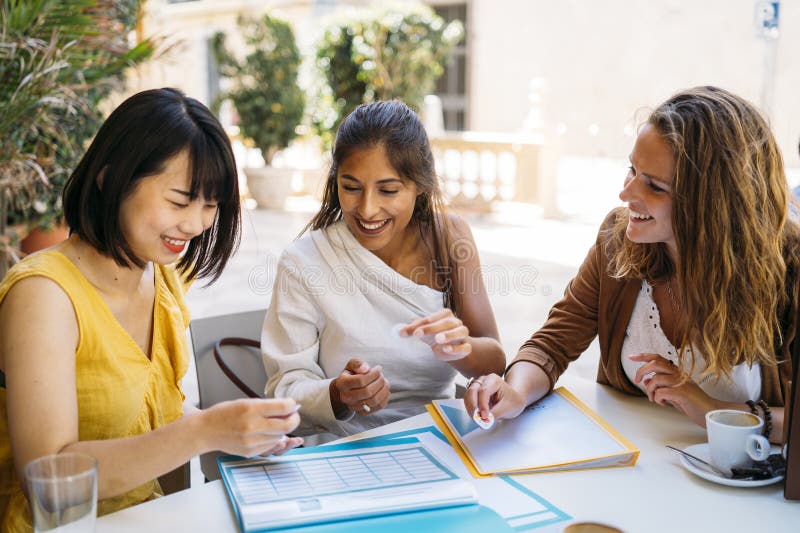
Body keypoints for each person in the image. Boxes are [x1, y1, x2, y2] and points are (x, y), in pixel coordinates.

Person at [0, 88, 302, 532]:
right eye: (179, 201)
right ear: (110, 178)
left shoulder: (163, 275)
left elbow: (148, 414)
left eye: (210, 206)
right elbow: (48, 476)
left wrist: (238, 429)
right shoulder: (44, 295)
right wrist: (203, 432)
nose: (196, 224)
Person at [466, 86, 799, 443]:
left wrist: (710, 410)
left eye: (654, 186)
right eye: (632, 170)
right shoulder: (617, 239)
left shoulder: (788, 270)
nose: (626, 193)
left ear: (713, 204)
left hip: (741, 487)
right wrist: (515, 391)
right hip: (633, 471)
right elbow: (552, 345)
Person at [261, 100, 505, 440]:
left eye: (388, 190)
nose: (367, 209)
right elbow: (283, 390)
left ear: (421, 185)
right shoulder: (305, 261)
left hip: (437, 442)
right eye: (351, 187)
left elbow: (494, 362)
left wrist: (460, 347)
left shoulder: (449, 237)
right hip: (342, 447)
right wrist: (337, 394)